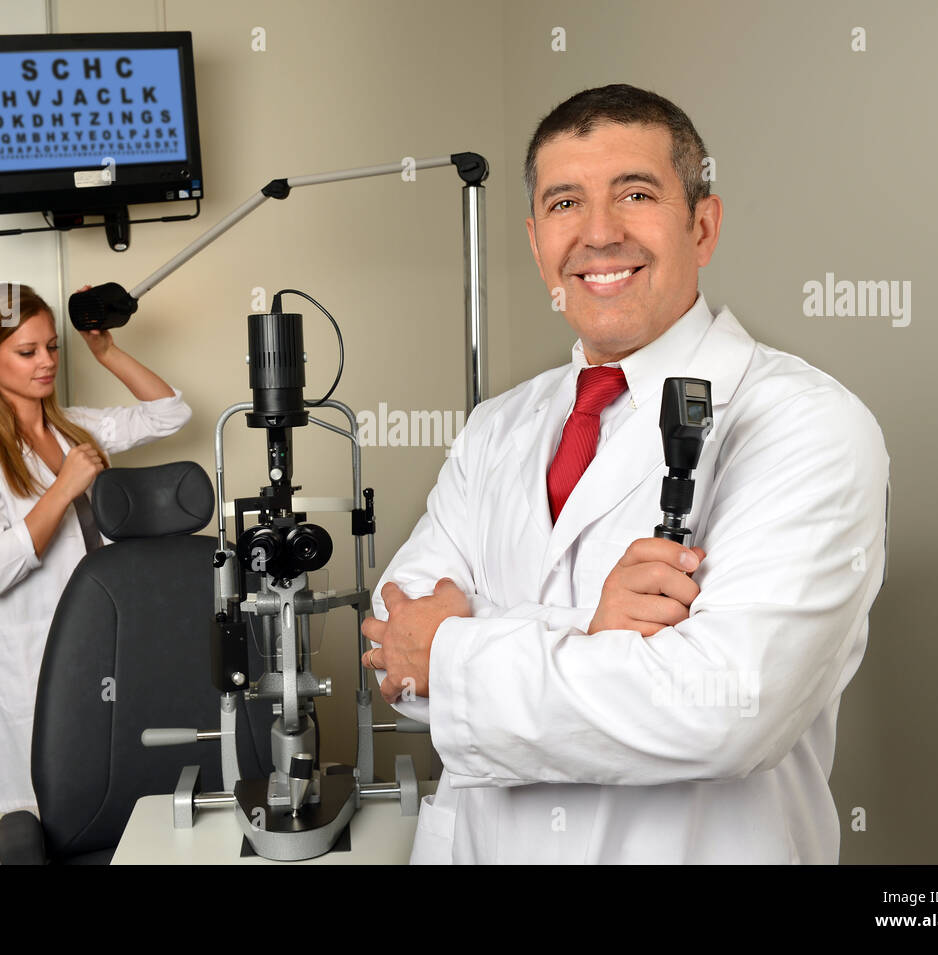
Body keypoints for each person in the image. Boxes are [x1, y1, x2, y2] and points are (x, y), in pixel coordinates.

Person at [360, 84, 890, 864]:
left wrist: (456, 651)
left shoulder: (807, 426)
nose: (599, 234)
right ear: (538, 240)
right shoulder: (495, 429)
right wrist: (595, 628)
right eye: (567, 203)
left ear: (701, 225)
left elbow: (722, 709)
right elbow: (395, 649)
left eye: (635, 194)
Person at [0, 283, 193, 815]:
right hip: (33, 652)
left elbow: (170, 413)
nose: (46, 362)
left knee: (119, 791)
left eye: (51, 347)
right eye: (26, 352)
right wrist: (64, 487)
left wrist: (107, 351)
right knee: (55, 805)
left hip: (104, 636)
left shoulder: (74, 428)